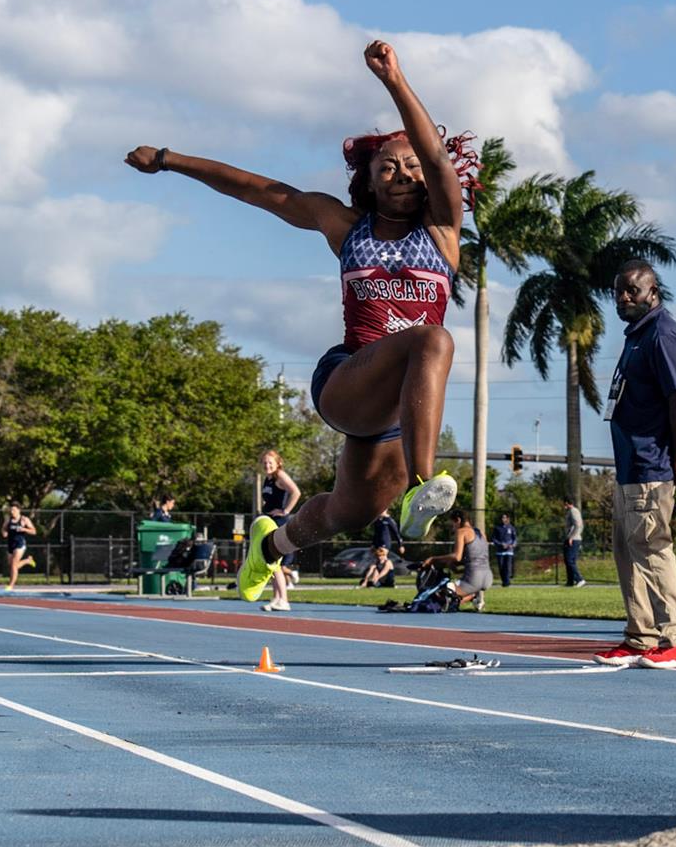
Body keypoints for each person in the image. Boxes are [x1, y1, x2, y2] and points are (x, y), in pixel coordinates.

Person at [134, 42, 472, 605]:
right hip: (348, 382)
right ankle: (421, 486)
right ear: (367, 179)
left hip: (397, 413)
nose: (403, 172)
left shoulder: (442, 232)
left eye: (411, 165)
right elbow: (259, 190)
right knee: (433, 338)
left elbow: (439, 159)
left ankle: (271, 547)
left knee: (346, 511)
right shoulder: (346, 227)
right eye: (387, 165)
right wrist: (170, 158)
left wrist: (395, 81)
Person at [593, 261, 676, 669]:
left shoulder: (663, 334)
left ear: (653, 292)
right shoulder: (637, 336)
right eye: (618, 291)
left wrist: (675, 459)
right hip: (630, 466)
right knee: (627, 551)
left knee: (652, 548)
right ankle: (640, 636)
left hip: (653, 465)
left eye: (632, 291)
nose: (623, 298)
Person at [258, 449, 302, 613]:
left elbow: (296, 492)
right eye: (265, 462)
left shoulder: (280, 475)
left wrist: (286, 511)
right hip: (269, 522)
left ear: (278, 463)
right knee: (271, 563)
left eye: (270, 462)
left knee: (274, 562)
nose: (267, 465)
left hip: (279, 523)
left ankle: (283, 600)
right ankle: (277, 598)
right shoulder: (268, 479)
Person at [423, 512, 493, 608]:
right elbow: (477, 555)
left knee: (439, 593)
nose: (453, 527)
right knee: (452, 601)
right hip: (488, 576)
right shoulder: (480, 533)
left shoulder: (462, 532)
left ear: (458, 520)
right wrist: (454, 565)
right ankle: (474, 596)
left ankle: (472, 596)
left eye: (453, 524)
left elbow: (457, 556)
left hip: (474, 578)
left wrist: (433, 559)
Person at [2, 503, 36, 590]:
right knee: (13, 565)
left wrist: (24, 529)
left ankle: (11, 585)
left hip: (20, 544)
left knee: (13, 565)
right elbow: (3, 528)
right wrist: (4, 533)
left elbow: (34, 531)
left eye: (14, 510)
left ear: (18, 510)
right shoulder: (8, 520)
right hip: (10, 544)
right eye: (11, 510)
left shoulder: (24, 519)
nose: (12, 511)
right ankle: (28, 561)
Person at [563, 497, 587, 588]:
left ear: (567, 503)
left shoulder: (574, 511)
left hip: (574, 539)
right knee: (567, 560)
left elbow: (578, 524)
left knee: (570, 560)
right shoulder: (569, 512)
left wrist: (572, 537)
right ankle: (570, 581)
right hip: (569, 538)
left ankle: (580, 579)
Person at [490, 511, 518, 587]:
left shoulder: (511, 528)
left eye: (505, 517)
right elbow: (493, 539)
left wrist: (512, 544)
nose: (503, 519)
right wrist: (500, 544)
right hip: (500, 552)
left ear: (507, 519)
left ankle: (507, 582)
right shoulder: (497, 528)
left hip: (509, 552)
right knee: (501, 567)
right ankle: (504, 581)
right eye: (502, 518)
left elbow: (514, 538)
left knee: (508, 567)